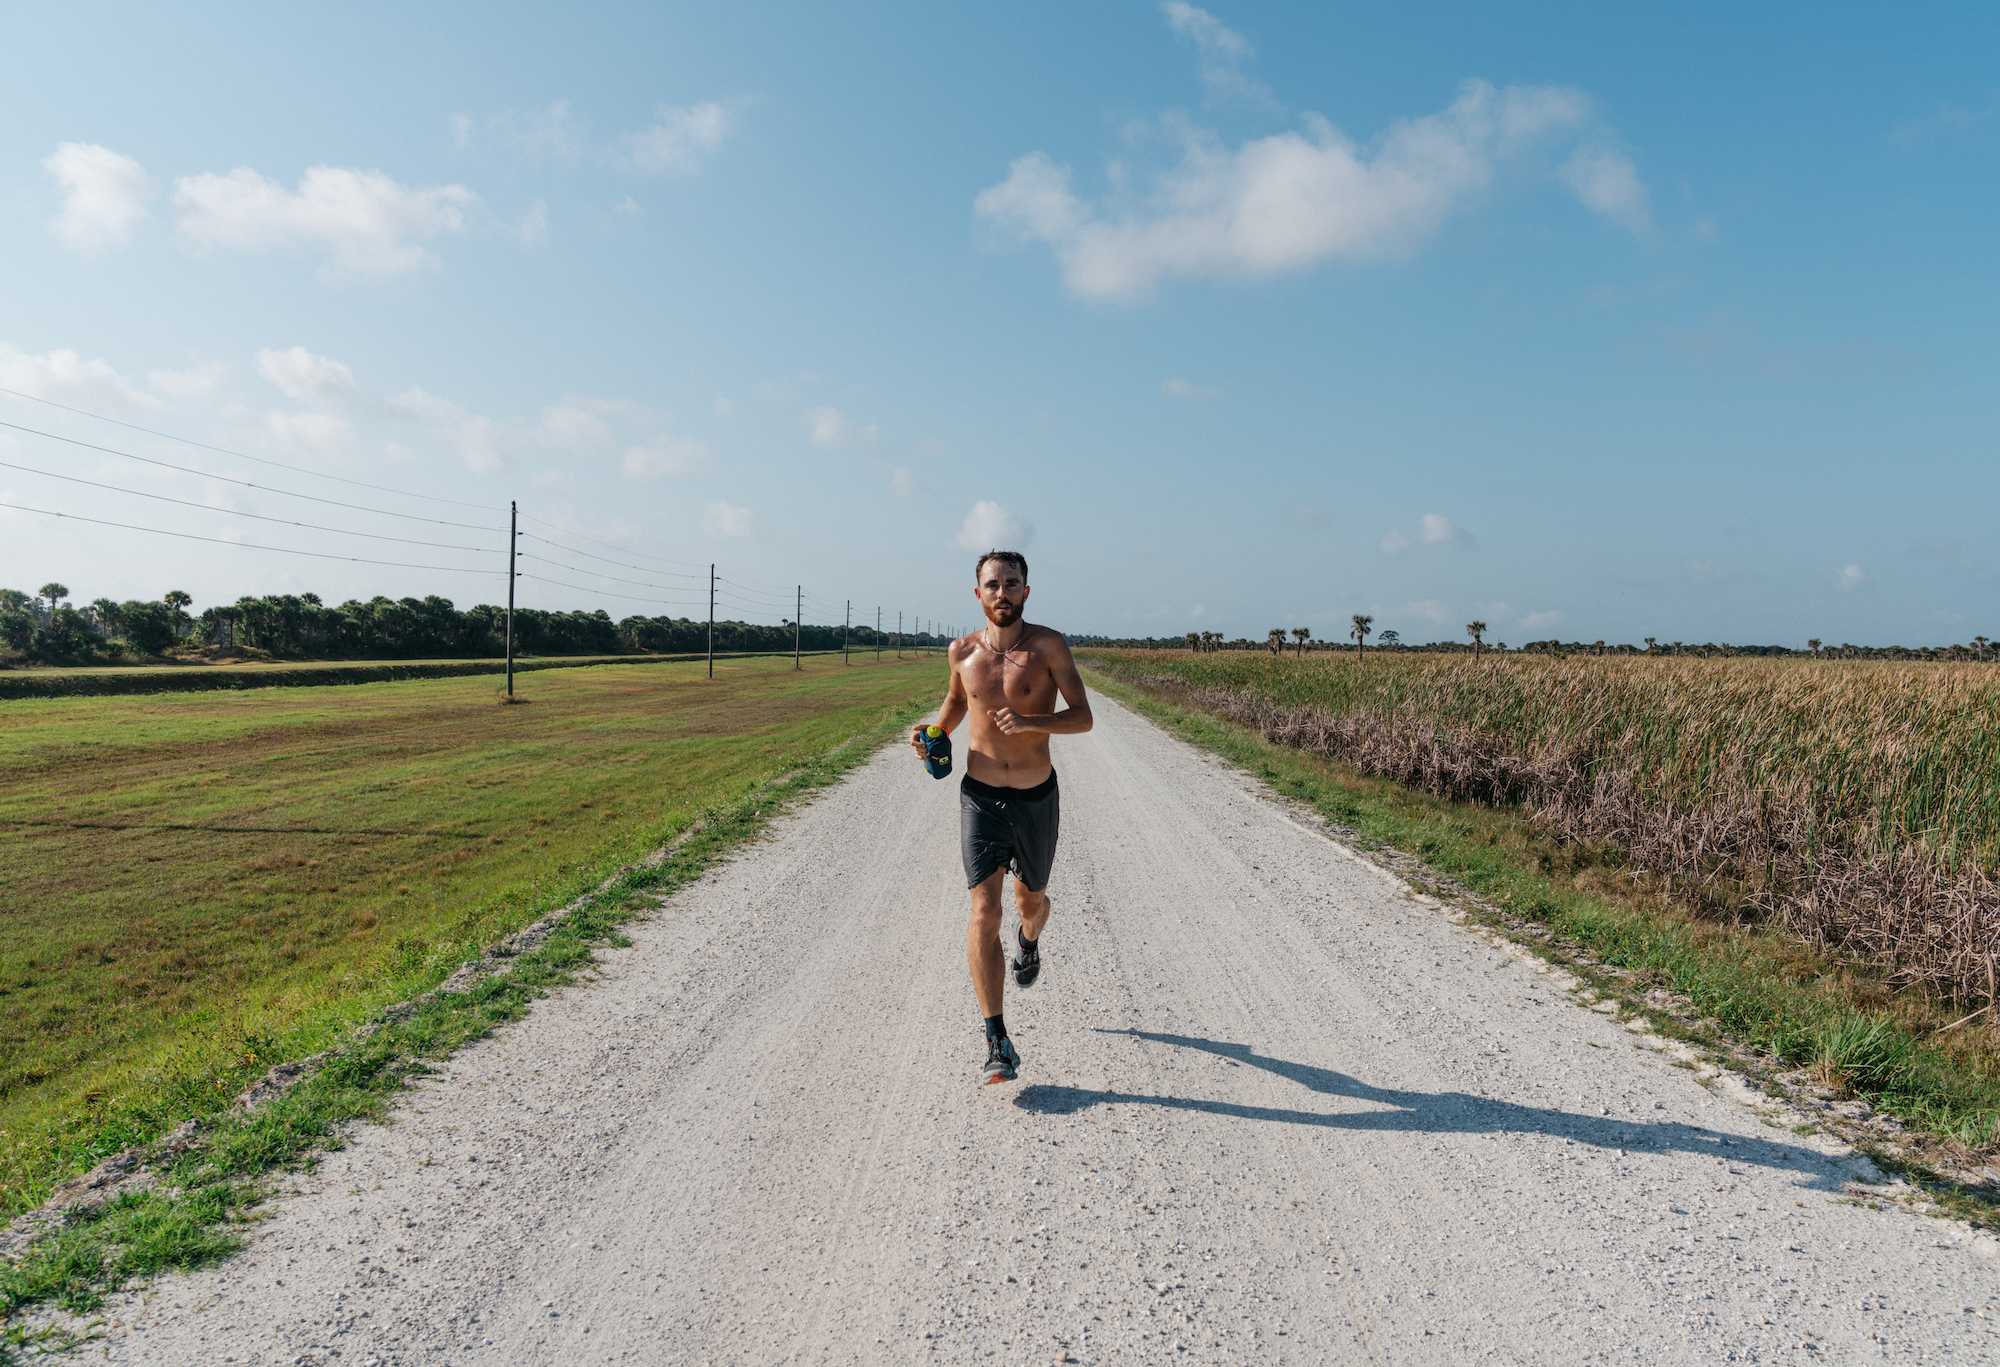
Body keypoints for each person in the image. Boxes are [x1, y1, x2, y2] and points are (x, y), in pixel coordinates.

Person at [911, 549, 1093, 1084]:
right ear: (978, 594)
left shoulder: (1049, 647)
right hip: (980, 797)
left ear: (1026, 592)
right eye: (992, 584)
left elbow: (1083, 718)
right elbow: (955, 705)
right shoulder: (961, 652)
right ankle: (997, 1040)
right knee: (984, 911)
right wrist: (932, 736)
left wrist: (1033, 721)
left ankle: (1030, 940)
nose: (1002, 593)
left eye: (1012, 584)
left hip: (1037, 798)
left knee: (1028, 902)